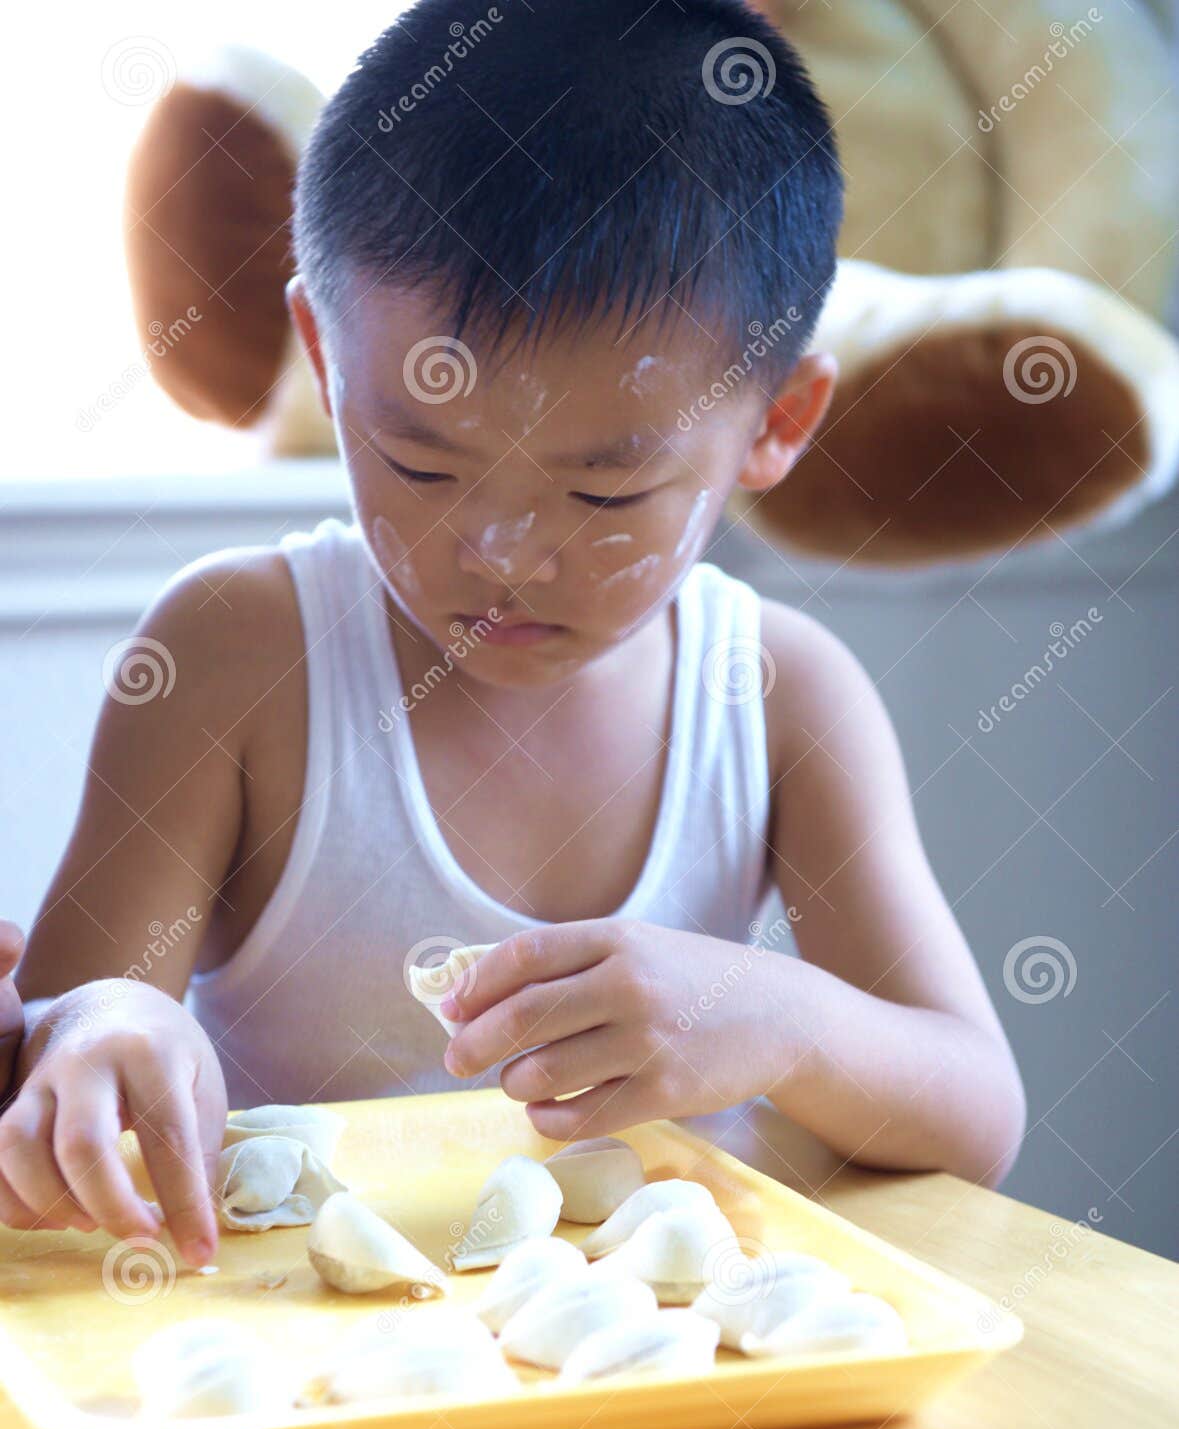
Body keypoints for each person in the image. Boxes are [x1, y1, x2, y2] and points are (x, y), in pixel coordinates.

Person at [0, 0, 1024, 1266]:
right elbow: (64, 1057)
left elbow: (976, 1116)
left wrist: (782, 1018)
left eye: (604, 493)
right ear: (324, 354)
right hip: (303, 1353)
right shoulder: (238, 657)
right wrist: (98, 1033)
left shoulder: (777, 695)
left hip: (659, 1354)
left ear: (777, 420)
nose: (500, 554)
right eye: (422, 466)